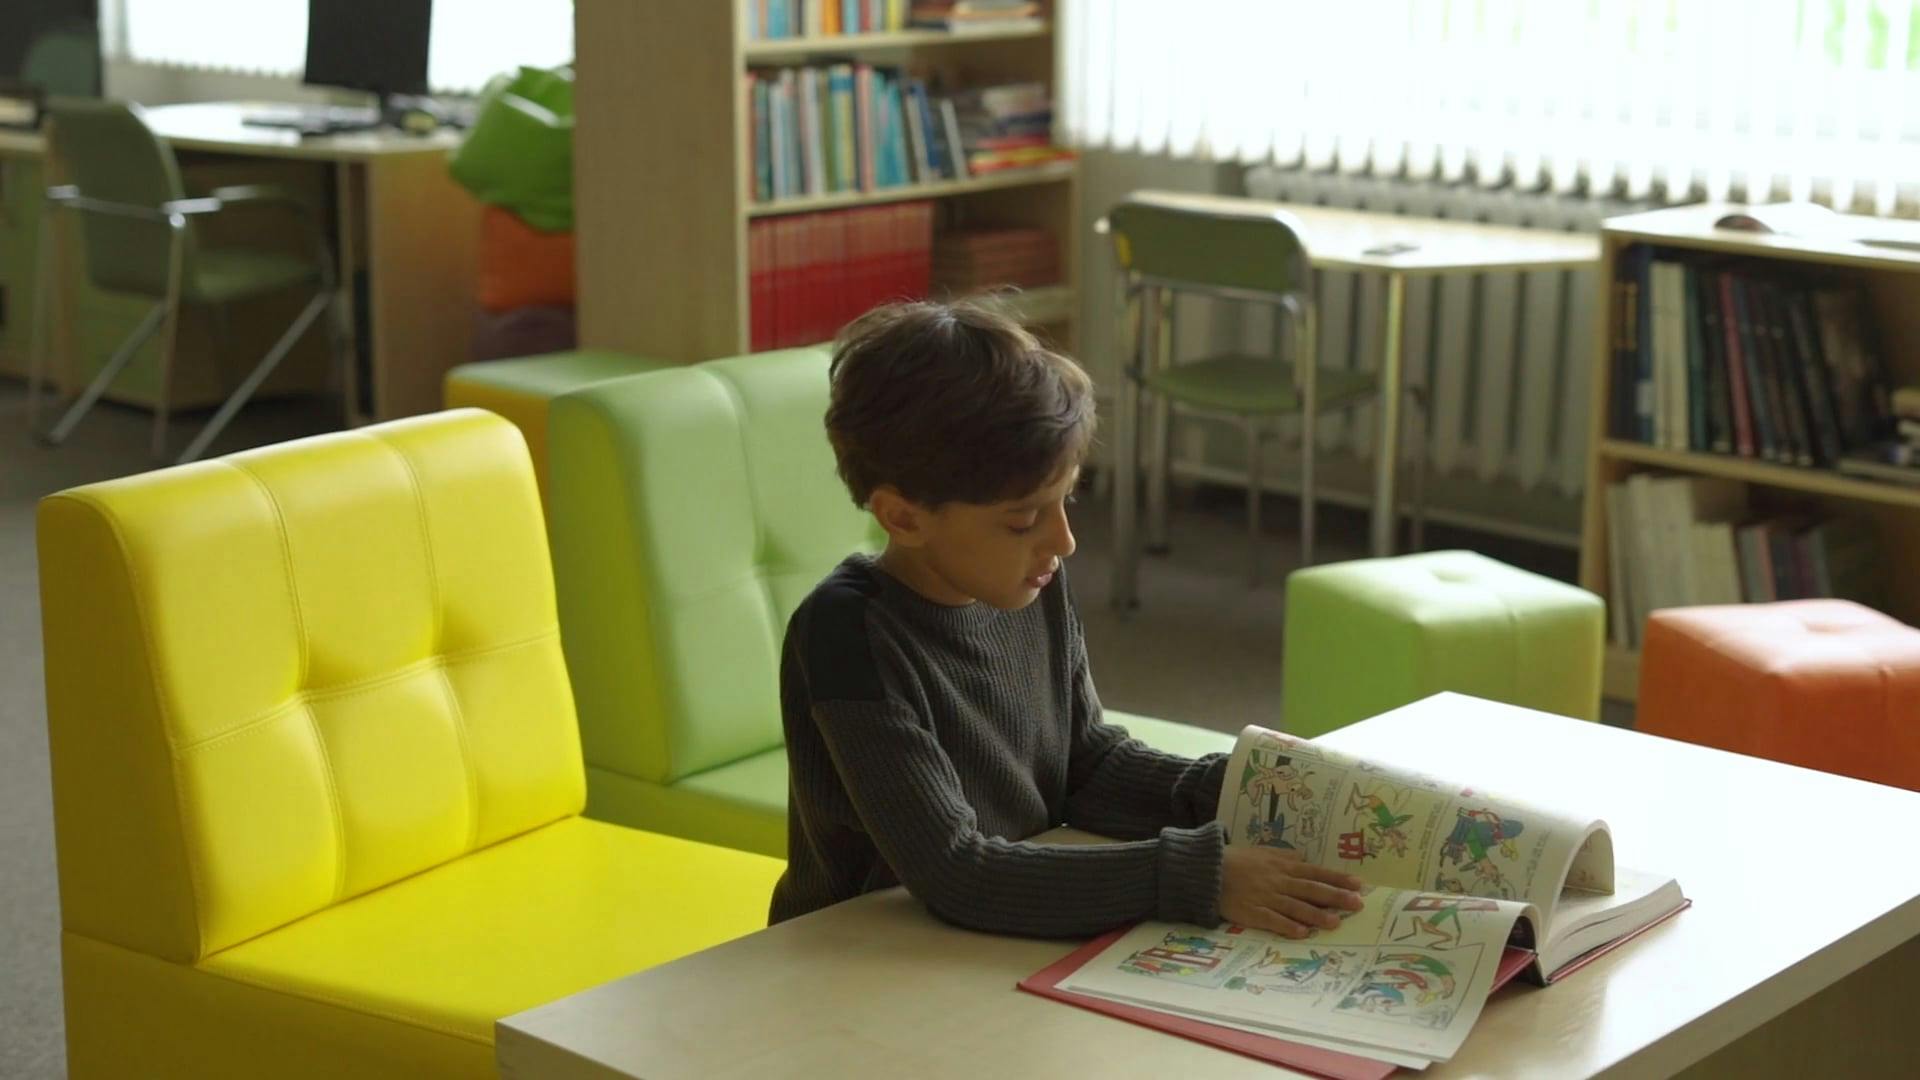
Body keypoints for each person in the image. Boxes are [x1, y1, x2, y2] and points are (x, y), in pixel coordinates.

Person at [768, 300, 1364, 938]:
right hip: (859, 951)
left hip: (983, 937)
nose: (1065, 541)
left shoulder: (1028, 579)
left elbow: (1085, 766)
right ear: (904, 517)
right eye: (1024, 520)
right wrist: (1202, 875)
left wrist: (1247, 794)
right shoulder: (846, 636)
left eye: (1067, 499)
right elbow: (955, 872)